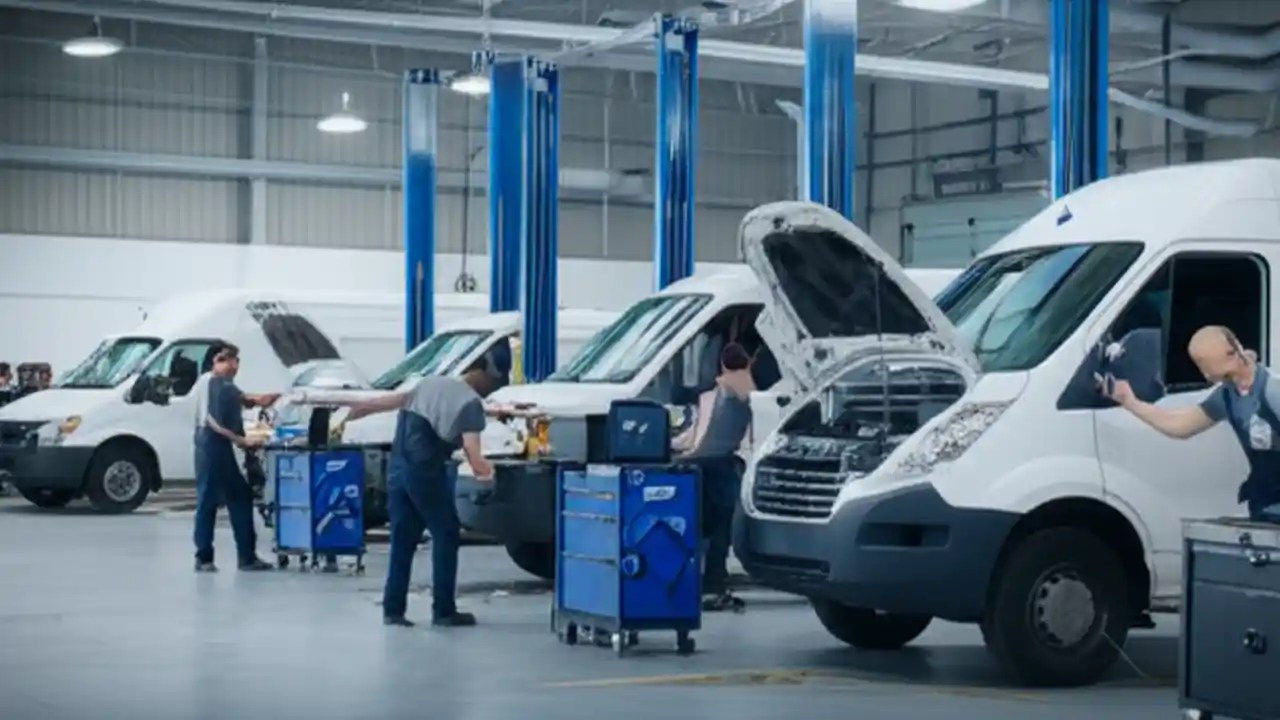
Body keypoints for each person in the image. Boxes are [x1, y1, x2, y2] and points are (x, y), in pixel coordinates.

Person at [309, 357, 498, 627]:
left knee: (402, 540)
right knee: (445, 534)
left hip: (398, 469)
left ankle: (393, 610)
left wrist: (351, 412)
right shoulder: (470, 404)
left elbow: (384, 402)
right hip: (426, 470)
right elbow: (472, 451)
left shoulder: (429, 384)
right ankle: (444, 611)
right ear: (484, 375)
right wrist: (489, 475)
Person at [1105, 325, 1280, 522]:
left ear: (1234, 351)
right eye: (1223, 377)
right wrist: (1130, 402)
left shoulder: (1273, 390)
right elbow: (1180, 425)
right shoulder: (1227, 395)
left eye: (1229, 374)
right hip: (1266, 504)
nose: (1233, 381)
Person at [673, 342, 756, 611]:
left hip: (704, 465)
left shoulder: (718, 392)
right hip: (723, 465)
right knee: (721, 527)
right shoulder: (748, 391)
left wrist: (676, 448)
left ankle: (698, 581)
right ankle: (714, 581)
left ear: (721, 364)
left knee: (701, 525)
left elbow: (700, 433)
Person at [194, 343, 280, 572]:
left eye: (235, 359)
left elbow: (243, 398)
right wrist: (240, 441)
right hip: (213, 446)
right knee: (212, 501)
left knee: (235, 498)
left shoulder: (226, 384)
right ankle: (212, 557)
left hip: (218, 447)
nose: (232, 364)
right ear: (213, 362)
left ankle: (240, 556)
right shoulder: (212, 382)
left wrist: (263, 400)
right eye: (224, 359)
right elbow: (213, 420)